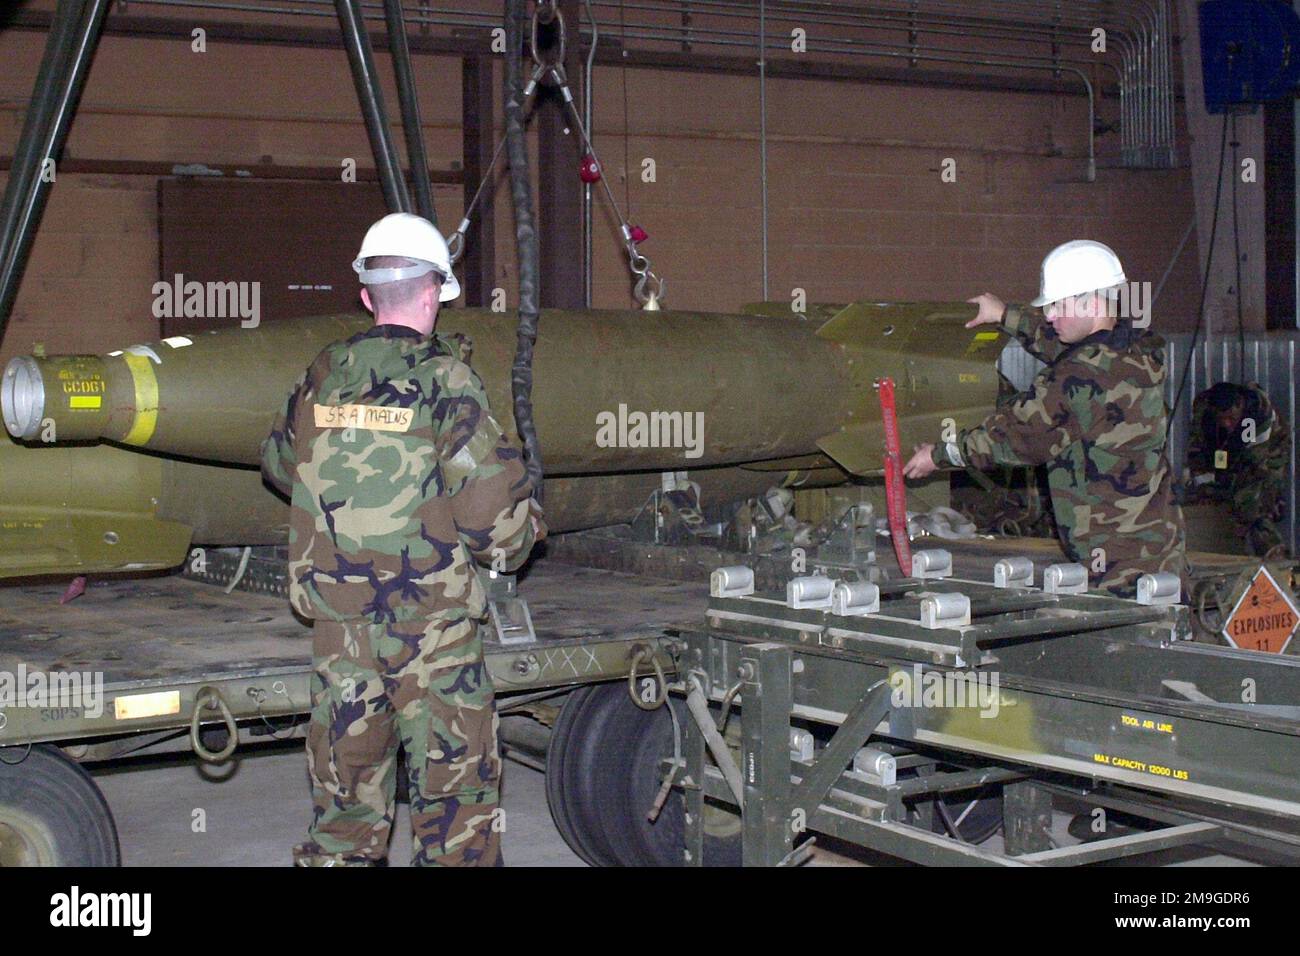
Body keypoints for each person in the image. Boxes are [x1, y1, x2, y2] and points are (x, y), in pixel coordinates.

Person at [261, 212, 545, 866]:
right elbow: (492, 525)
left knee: (344, 822)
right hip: (435, 646)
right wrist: (525, 531)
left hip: (342, 643)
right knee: (457, 829)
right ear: (433, 293)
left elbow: (278, 463)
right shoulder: (448, 381)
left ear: (367, 295)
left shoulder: (324, 372)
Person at [902, 239, 1185, 597]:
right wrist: (1005, 314)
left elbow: (1015, 438)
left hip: (1114, 570)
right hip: (1162, 552)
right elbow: (1068, 345)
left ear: (1089, 302)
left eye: (1058, 306)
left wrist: (939, 455)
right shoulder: (1140, 351)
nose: (1050, 315)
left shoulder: (1074, 378)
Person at [1185, 381, 1290, 558]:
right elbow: (1198, 450)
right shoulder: (1204, 410)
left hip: (1269, 453)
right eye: (1222, 419)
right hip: (1229, 451)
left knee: (1251, 505)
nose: (1226, 424)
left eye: (1231, 419)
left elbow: (1257, 468)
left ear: (1240, 406)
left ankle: (1275, 555)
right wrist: (1205, 486)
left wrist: (1247, 508)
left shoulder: (1259, 412)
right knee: (1218, 495)